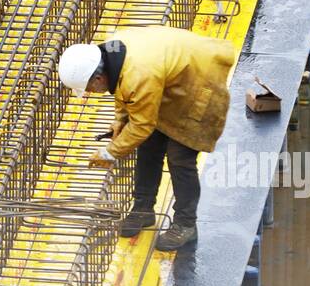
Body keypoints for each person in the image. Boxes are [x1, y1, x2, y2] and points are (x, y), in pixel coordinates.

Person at [58, 25, 237, 252]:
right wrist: (120, 119)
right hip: (171, 83)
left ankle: (186, 224)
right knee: (149, 146)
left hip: (200, 85)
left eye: (90, 89)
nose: (91, 94)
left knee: (179, 157)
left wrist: (110, 152)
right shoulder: (111, 53)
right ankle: (143, 210)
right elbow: (124, 90)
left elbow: (142, 124)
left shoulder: (139, 74)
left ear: (98, 77)